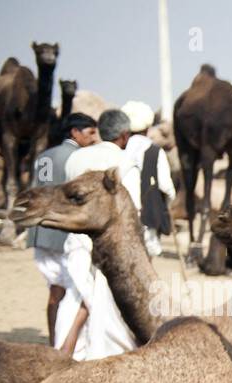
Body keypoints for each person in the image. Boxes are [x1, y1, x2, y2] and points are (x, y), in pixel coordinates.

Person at [59, 108, 143, 360]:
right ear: (124, 135)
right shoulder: (126, 163)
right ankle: (104, 358)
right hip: (111, 243)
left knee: (74, 295)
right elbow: (134, 210)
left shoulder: (75, 159)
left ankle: (65, 353)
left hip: (76, 237)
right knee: (109, 301)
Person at [27, 113, 98, 344]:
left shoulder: (44, 156)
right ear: (75, 132)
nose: (94, 137)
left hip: (40, 230)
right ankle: (67, 347)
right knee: (77, 294)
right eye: (90, 132)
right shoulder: (78, 157)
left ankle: (53, 341)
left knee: (55, 292)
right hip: (63, 232)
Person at [120, 100, 175, 257]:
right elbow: (166, 187)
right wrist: (166, 205)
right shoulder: (155, 151)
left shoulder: (118, 150)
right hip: (148, 215)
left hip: (120, 214)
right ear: (149, 128)